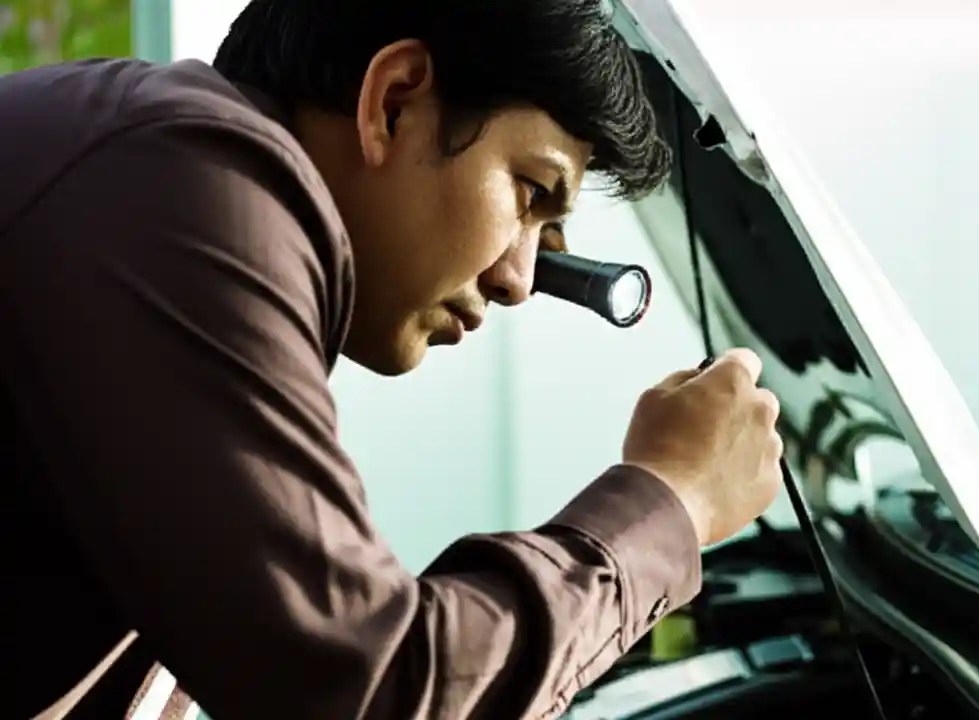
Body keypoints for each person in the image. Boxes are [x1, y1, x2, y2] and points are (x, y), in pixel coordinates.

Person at [0, 1, 784, 718]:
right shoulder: (192, 184)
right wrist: (668, 502)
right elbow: (369, 688)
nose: (517, 281)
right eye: (529, 192)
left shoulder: (150, 161)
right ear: (395, 100)